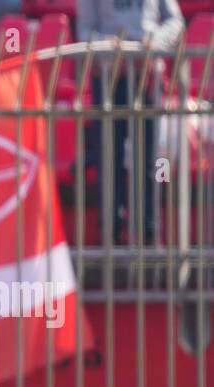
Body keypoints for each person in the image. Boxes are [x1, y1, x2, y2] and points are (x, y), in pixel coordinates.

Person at [78, 0, 186, 246]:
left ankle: (148, 235)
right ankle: (111, 236)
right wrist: (110, 47)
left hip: (146, 74)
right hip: (108, 76)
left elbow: (175, 21)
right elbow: (85, 30)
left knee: (148, 160)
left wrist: (154, 41)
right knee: (109, 159)